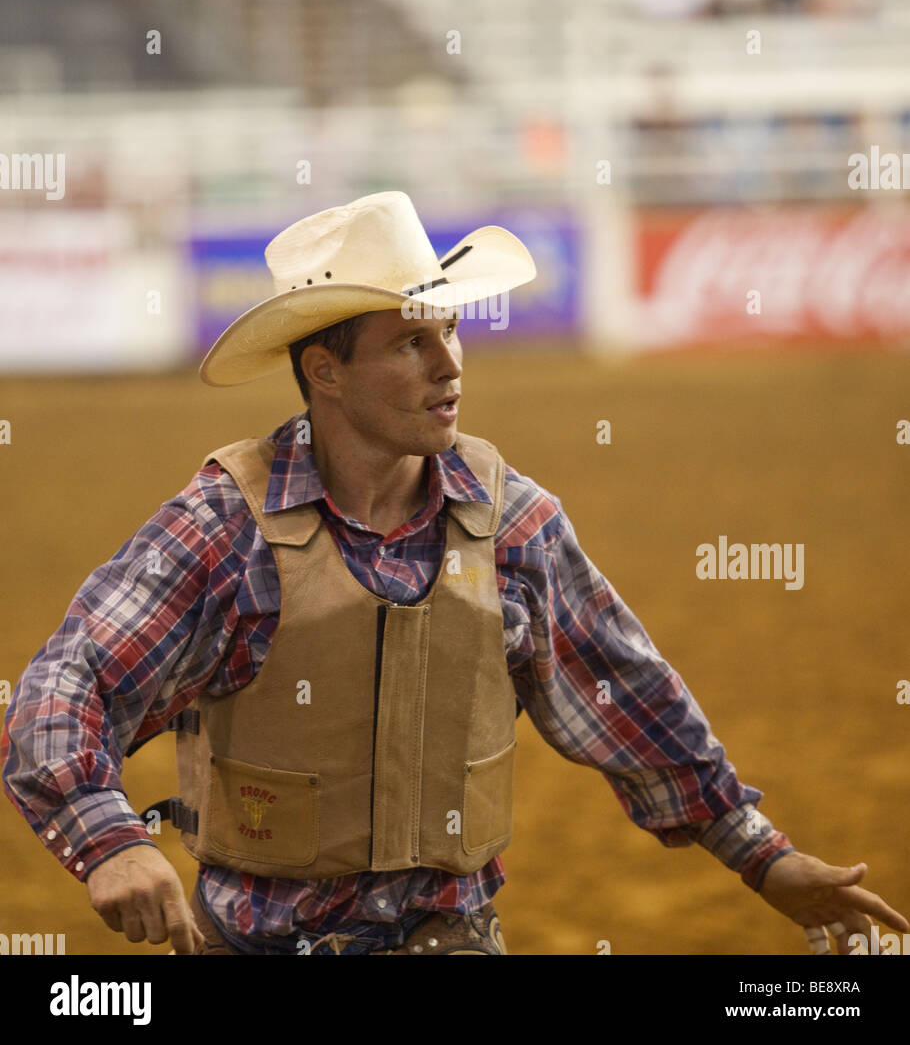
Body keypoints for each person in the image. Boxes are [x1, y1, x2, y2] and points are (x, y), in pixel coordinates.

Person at [2, 191, 907, 956]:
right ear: (326, 371)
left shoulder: (513, 524)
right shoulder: (225, 527)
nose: (451, 365)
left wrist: (761, 852)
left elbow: (626, 693)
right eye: (410, 343)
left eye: (451, 331)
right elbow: (61, 687)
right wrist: (108, 838)